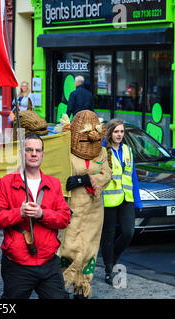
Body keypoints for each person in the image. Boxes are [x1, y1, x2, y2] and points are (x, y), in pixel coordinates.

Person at [0, 134, 71, 299]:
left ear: (43, 155)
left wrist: (42, 214)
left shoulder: (53, 184)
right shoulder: (5, 183)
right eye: (29, 150)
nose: (34, 154)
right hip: (17, 263)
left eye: (38, 150)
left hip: (48, 262)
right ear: (21, 153)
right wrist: (19, 213)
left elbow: (64, 218)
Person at [57, 110, 112, 299]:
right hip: (72, 207)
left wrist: (84, 180)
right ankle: (64, 285)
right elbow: (58, 174)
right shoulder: (65, 150)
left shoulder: (102, 152)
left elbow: (106, 174)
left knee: (89, 248)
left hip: (94, 209)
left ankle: (82, 287)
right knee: (69, 248)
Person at [100, 118, 143, 285]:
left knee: (128, 233)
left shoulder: (127, 150)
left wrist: (138, 201)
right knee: (108, 235)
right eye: (116, 131)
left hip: (127, 197)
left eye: (122, 131)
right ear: (110, 132)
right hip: (108, 198)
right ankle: (109, 268)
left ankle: (111, 258)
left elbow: (133, 177)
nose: (119, 135)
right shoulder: (102, 149)